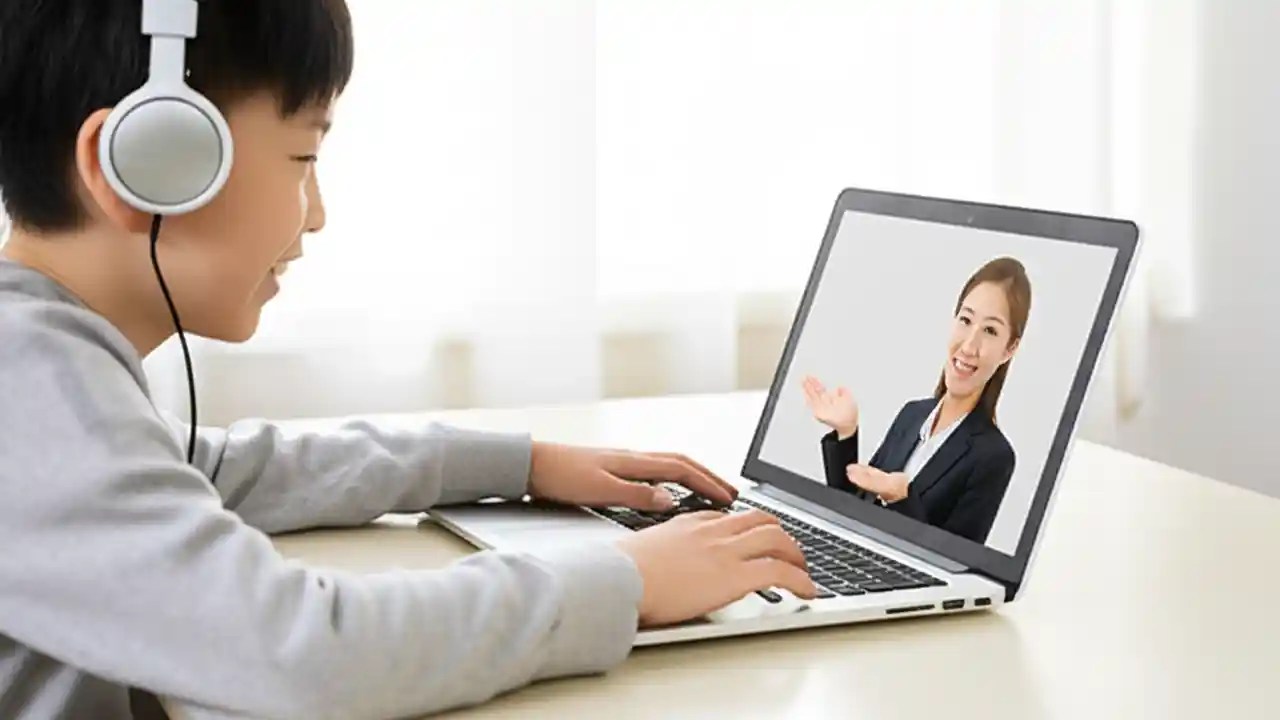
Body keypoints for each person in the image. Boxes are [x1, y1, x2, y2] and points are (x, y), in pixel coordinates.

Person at [0, 2, 817, 718]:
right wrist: (629, 582)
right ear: (145, 162)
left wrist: (523, 463)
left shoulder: (44, 361)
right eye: (302, 159)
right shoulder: (29, 385)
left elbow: (218, 468)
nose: (316, 216)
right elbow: (308, 653)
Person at [801, 257, 1032, 544]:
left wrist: (901, 498)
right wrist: (847, 432)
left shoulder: (994, 457)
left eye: (990, 330)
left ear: (1009, 349)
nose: (969, 345)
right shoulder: (912, 415)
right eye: (966, 320)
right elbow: (854, 514)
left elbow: (955, 564)